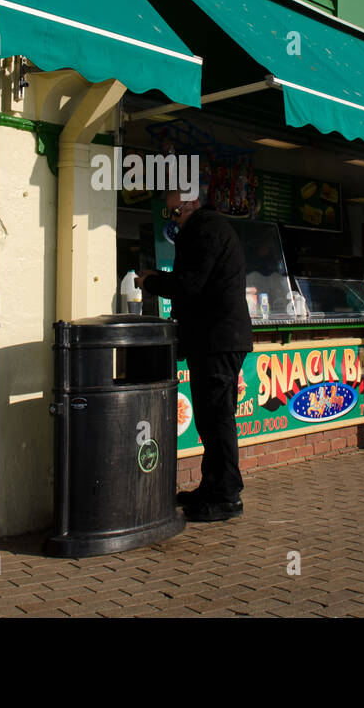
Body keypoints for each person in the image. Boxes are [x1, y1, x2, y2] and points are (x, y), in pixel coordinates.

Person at [137, 183, 252, 521]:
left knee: (216, 419)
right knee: (212, 418)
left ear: (193, 203)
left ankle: (226, 496)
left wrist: (151, 281)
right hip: (220, 338)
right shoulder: (213, 227)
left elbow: (190, 284)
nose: (175, 219)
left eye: (177, 211)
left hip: (216, 340)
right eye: (170, 213)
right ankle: (212, 486)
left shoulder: (204, 229)